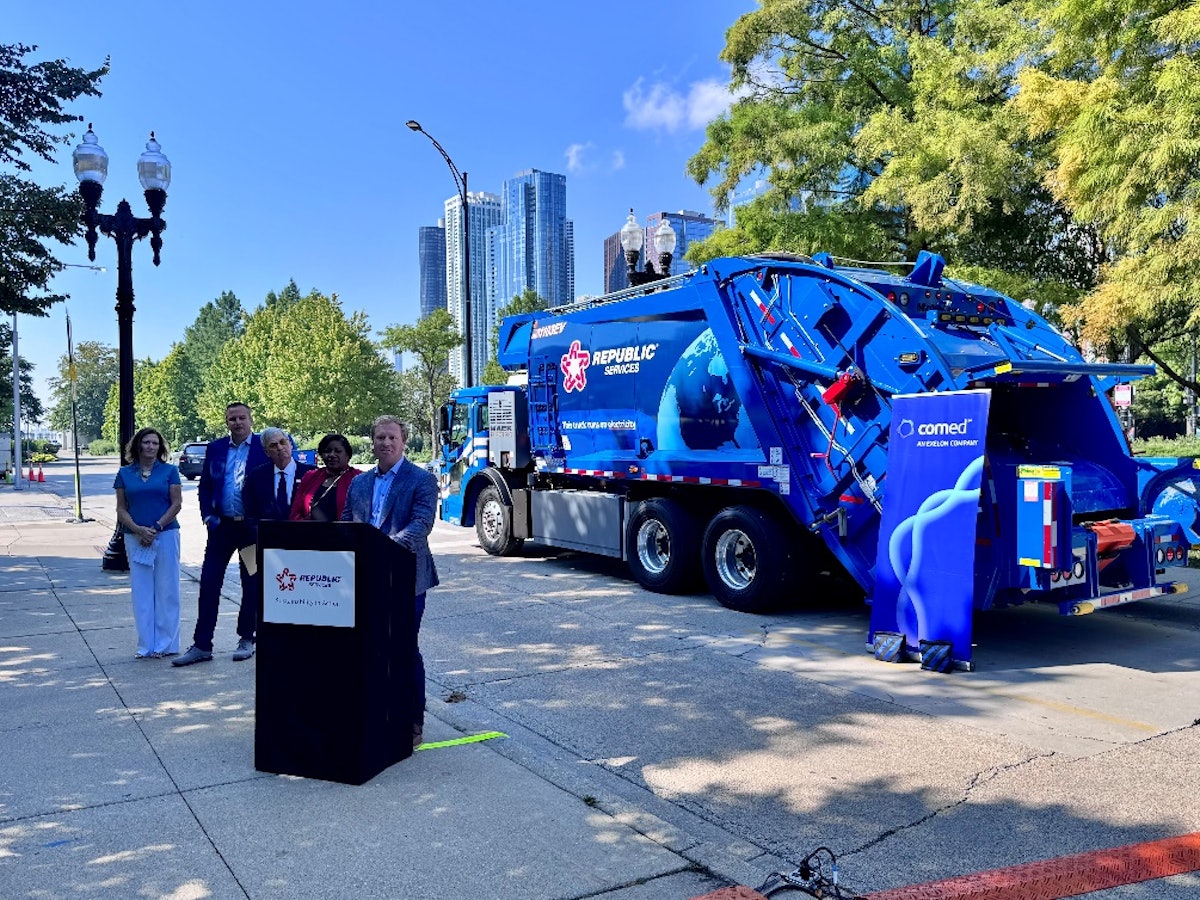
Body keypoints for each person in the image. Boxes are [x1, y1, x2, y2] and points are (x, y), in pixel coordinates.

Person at [341, 416, 439, 748]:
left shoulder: (422, 480)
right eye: (380, 437)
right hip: (365, 578)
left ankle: (413, 719)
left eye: (392, 437)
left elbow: (421, 525)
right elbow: (346, 522)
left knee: (403, 648)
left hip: (405, 578)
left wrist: (382, 550)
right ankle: (376, 712)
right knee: (368, 648)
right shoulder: (359, 483)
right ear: (373, 441)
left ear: (404, 441)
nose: (386, 443)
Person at [174, 402, 267, 667]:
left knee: (251, 584)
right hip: (221, 530)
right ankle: (202, 644)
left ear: (251, 419)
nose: (237, 423)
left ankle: (246, 638)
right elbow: (205, 487)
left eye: (241, 418)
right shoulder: (215, 448)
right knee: (209, 583)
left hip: (250, 532)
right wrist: (208, 517)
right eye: (231, 419)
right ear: (226, 422)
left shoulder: (264, 447)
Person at [236, 427, 316, 660]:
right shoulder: (255, 476)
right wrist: (265, 536)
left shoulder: (311, 474)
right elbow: (249, 513)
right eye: (273, 445)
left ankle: (293, 636)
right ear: (266, 451)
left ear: (291, 445)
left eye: (283, 442)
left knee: (297, 590)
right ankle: (245, 638)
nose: (280, 448)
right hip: (257, 542)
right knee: (251, 587)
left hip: (297, 544)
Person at [113, 427, 183, 659]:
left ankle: (166, 644)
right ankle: (146, 645)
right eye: (146, 442)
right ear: (138, 445)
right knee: (141, 591)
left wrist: (156, 528)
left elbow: (176, 504)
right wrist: (137, 529)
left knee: (167, 589)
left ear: (160, 447)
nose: (150, 447)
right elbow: (121, 509)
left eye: (155, 443)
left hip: (165, 534)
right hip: (135, 537)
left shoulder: (170, 471)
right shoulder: (124, 474)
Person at [290, 433, 360, 522]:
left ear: (347, 454)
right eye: (327, 451)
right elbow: (295, 513)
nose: (332, 455)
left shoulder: (359, 479)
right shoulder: (310, 476)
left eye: (338, 451)